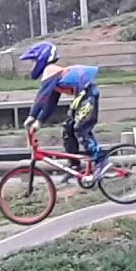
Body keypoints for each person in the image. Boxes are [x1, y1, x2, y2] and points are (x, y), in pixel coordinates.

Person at [18, 40, 105, 183]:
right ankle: (75, 165)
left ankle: (101, 161)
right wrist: (39, 121)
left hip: (88, 94)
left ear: (42, 58)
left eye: (34, 61)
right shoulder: (55, 75)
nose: (32, 66)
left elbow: (42, 97)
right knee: (68, 129)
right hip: (82, 95)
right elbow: (51, 101)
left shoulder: (50, 71)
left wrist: (32, 116)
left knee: (80, 129)